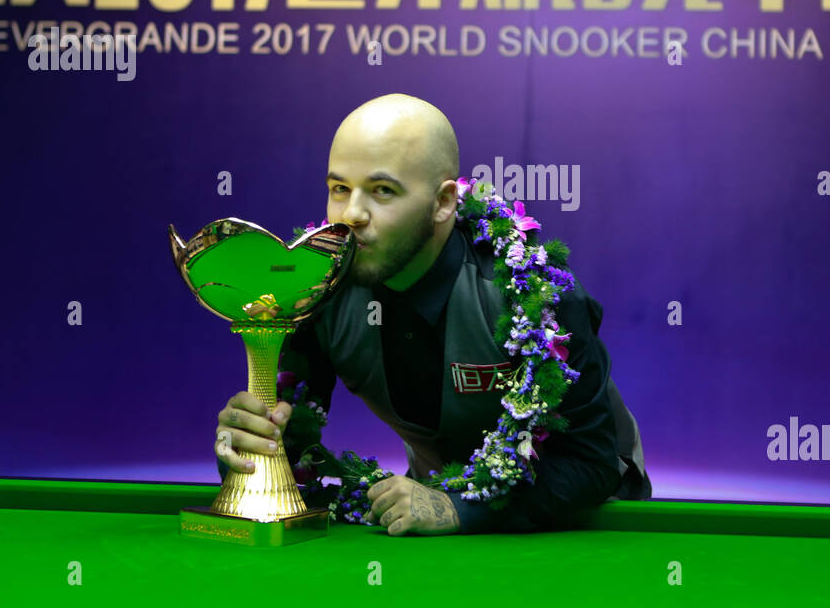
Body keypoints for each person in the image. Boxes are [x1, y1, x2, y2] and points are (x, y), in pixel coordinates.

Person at [215, 93, 651, 535]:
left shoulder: (535, 298)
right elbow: (286, 433)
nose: (351, 215)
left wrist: (455, 507)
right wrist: (249, 445)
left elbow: (590, 463)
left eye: (382, 191)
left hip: (584, 522)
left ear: (443, 202)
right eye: (339, 189)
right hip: (430, 519)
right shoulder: (317, 295)